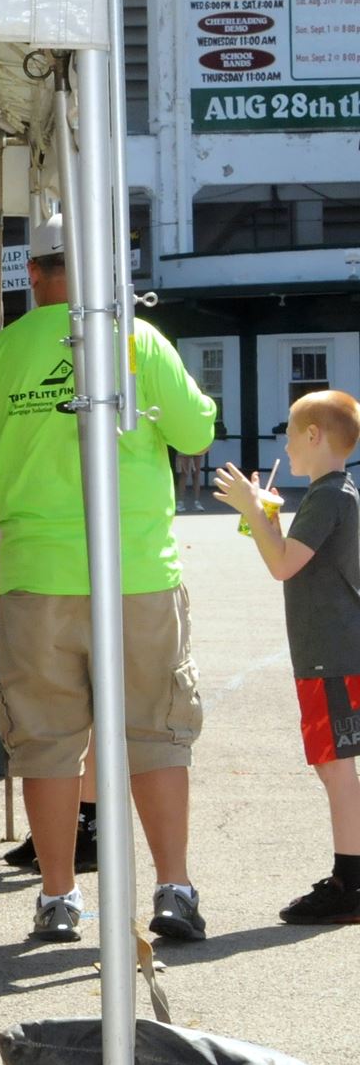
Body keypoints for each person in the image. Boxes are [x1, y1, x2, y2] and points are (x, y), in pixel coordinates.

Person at [0, 214, 217, 945]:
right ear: (105, 272)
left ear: (34, 274)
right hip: (138, 574)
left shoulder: (0, 354)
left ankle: (58, 897)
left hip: (37, 579)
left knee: (48, 742)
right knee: (155, 732)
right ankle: (174, 890)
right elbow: (197, 434)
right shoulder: (139, 342)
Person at [212, 391, 360, 923]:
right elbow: (286, 557)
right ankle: (351, 877)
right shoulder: (333, 493)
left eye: (292, 435)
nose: (287, 445)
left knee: (335, 765)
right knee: (333, 764)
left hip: (332, 652)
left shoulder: (328, 496)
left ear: (314, 436)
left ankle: (351, 883)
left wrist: (253, 510)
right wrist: (263, 517)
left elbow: (281, 566)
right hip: (328, 651)